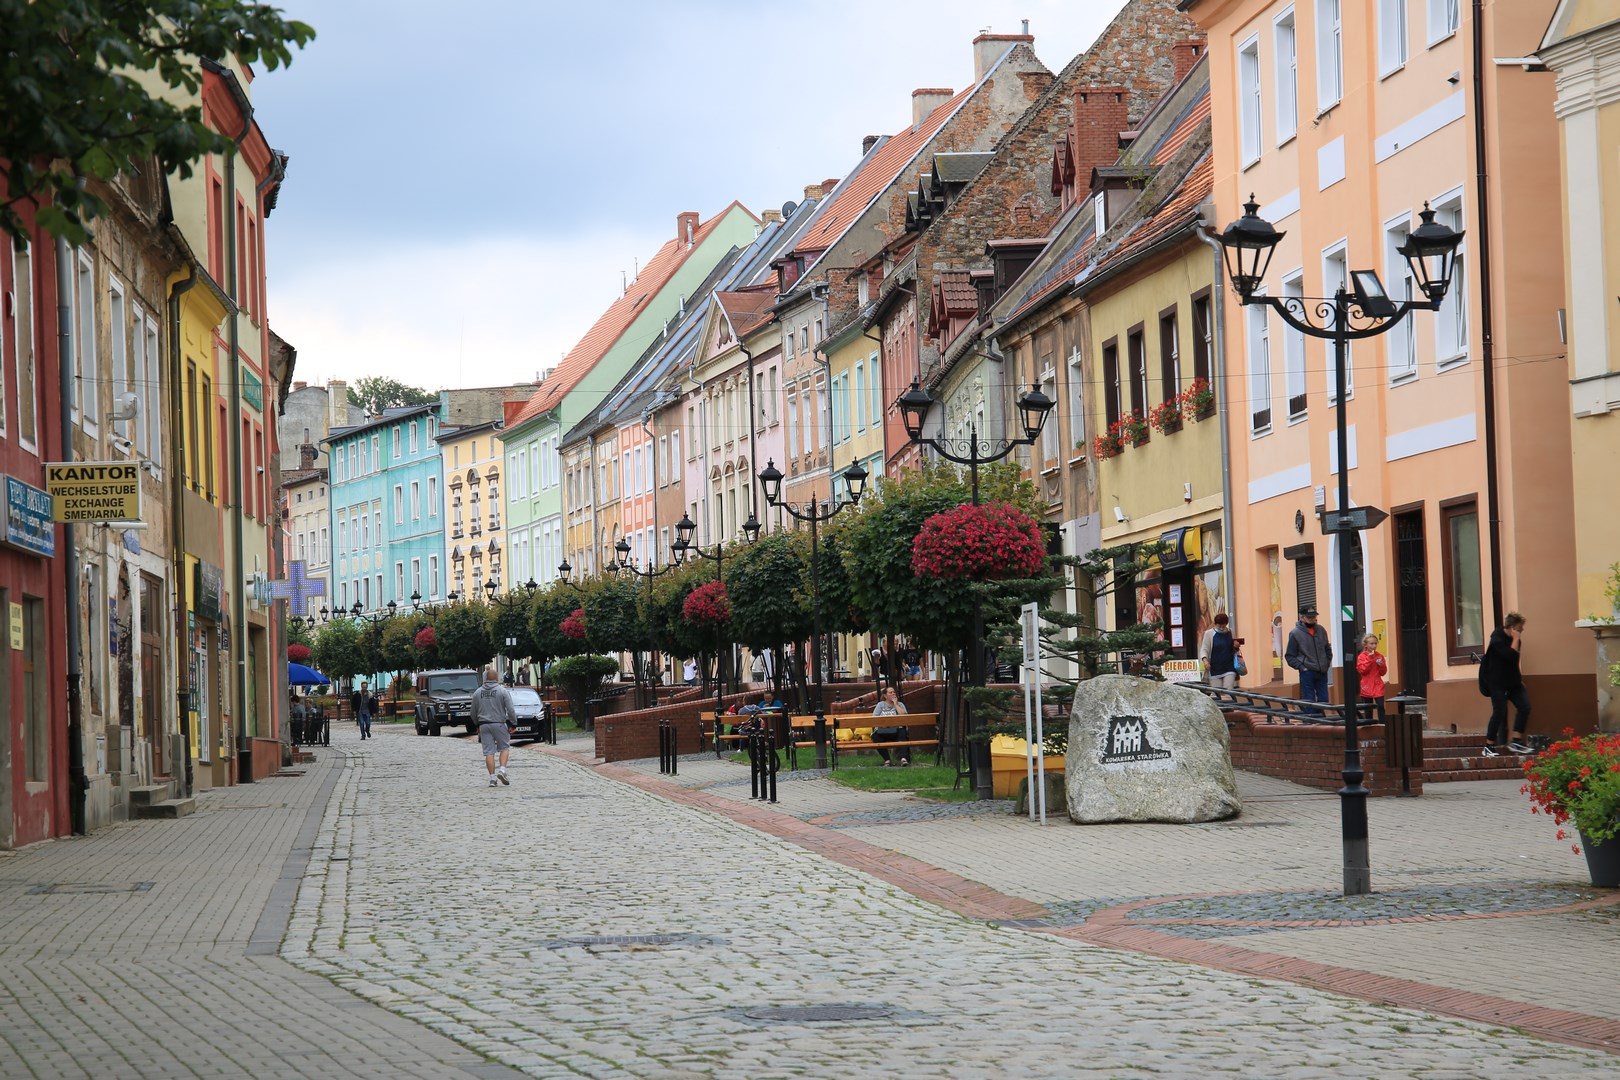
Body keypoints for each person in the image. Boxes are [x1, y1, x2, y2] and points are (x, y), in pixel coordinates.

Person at [1481, 612, 1532, 756]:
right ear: (1512, 627)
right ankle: (1488, 746)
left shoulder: (1516, 640)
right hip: (1496, 682)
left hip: (1512, 682)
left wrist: (1518, 679)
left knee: (1525, 706)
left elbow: (1514, 662)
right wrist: (1516, 639)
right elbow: (1510, 656)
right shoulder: (1497, 640)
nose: (1521, 631)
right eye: (1520, 628)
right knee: (1499, 711)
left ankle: (1516, 741)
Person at [471, 665, 517, 786]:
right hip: (499, 724)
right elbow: (510, 709)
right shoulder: (502, 691)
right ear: (497, 679)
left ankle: (492, 778)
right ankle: (502, 770)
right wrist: (513, 723)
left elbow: (473, 712)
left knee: (488, 752)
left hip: (484, 725)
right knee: (504, 748)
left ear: (485, 679)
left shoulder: (477, 693)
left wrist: (476, 724)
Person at [1285, 607, 1333, 711]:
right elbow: (1289, 656)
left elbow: (1327, 649)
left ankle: (1320, 721)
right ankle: (1310, 722)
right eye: (1309, 617)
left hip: (1322, 671)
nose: (1312, 619)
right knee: (1309, 700)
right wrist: (1302, 667)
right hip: (1307, 671)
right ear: (1302, 617)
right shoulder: (1295, 633)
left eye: (1314, 617)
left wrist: (1327, 663)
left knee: (1324, 700)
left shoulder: (1321, 630)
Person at [871, 685, 909, 767]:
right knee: (875, 736)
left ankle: (903, 759)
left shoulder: (900, 704)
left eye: (894, 692)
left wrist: (895, 704)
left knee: (902, 733)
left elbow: (904, 717)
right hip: (883, 731)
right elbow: (874, 719)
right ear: (885, 696)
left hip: (896, 731)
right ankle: (887, 760)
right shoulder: (880, 705)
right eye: (890, 692)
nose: (893, 694)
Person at [1199, 613, 1239, 689]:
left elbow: (1234, 650)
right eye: (1219, 626)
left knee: (1228, 691)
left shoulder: (1230, 632)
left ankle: (1228, 700)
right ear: (1215, 624)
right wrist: (1205, 661)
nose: (1221, 628)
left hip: (1229, 668)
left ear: (1226, 624)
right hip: (1215, 669)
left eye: (1223, 626)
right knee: (1216, 693)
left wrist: (1236, 647)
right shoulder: (1209, 634)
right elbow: (1204, 649)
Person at [1357, 633, 1387, 723]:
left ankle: (1382, 725)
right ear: (1366, 645)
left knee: (1381, 706)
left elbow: (1383, 673)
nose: (1374, 646)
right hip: (1366, 686)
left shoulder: (1379, 656)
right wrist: (1369, 659)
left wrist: (1382, 666)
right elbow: (1362, 670)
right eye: (1371, 644)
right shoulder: (1362, 657)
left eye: (1375, 643)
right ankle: (1369, 727)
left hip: (1377, 685)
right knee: (1368, 709)